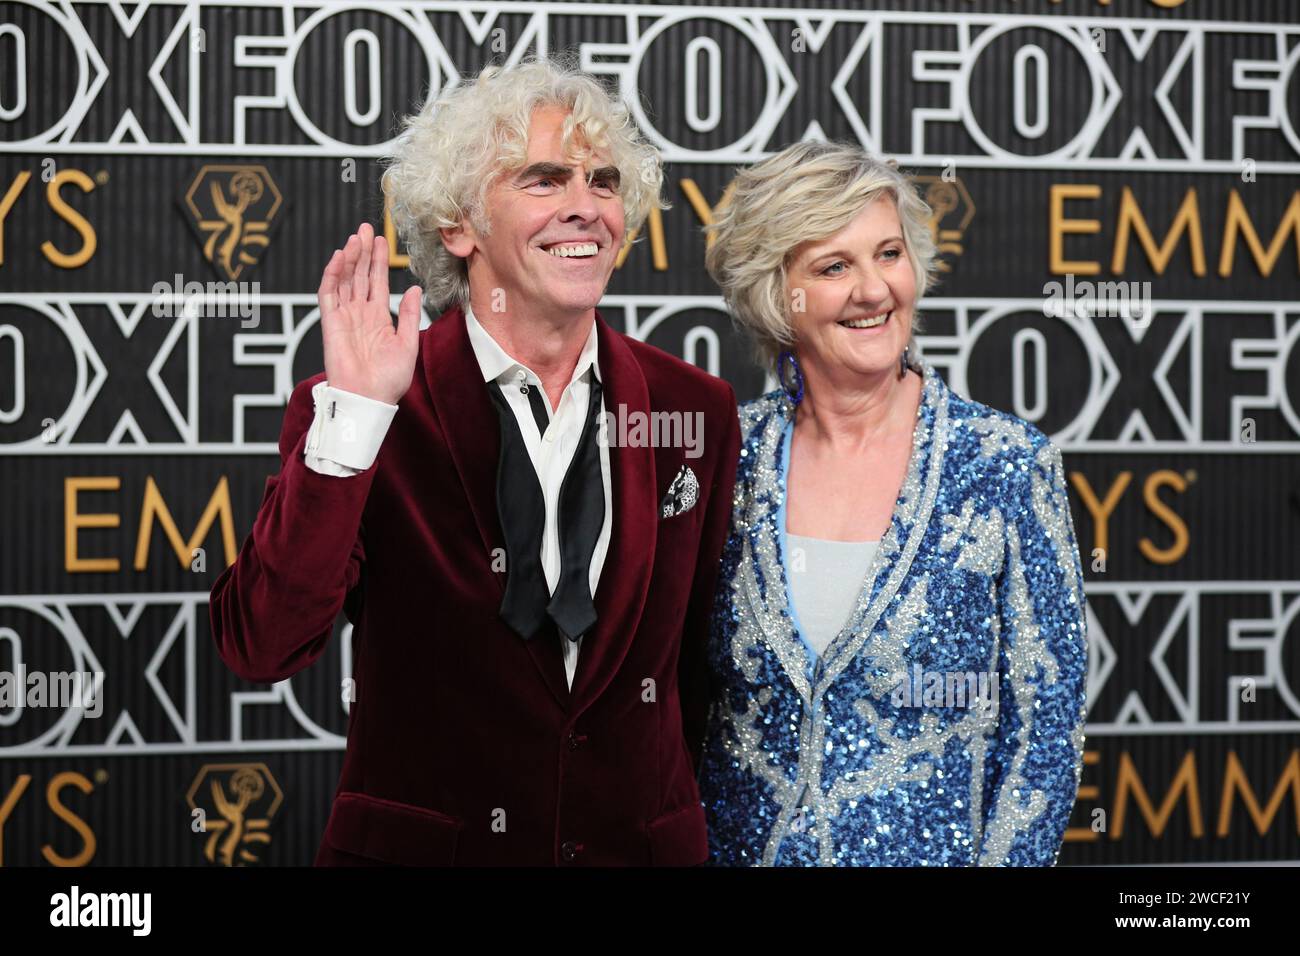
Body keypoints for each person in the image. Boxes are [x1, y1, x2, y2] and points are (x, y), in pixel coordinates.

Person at [209, 57, 741, 866]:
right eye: (542, 180)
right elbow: (264, 644)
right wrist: (356, 420)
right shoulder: (369, 402)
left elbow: (700, 674)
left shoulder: (692, 406)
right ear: (458, 224)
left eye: (602, 181)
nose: (584, 208)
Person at [697, 141, 1089, 866]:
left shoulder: (1002, 463)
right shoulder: (726, 457)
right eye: (834, 266)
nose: (874, 290)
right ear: (772, 291)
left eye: (888, 254)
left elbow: (1046, 732)